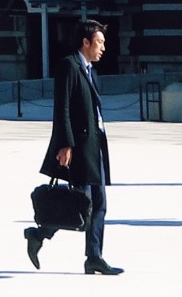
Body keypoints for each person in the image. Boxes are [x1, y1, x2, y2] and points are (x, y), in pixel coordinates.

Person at [25, 19, 121, 276]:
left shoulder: (90, 69)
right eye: (99, 42)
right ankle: (38, 234)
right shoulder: (69, 66)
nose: (103, 47)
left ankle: (94, 257)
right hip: (78, 148)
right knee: (82, 205)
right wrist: (65, 143)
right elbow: (62, 108)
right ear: (85, 42)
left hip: (94, 146)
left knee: (99, 203)